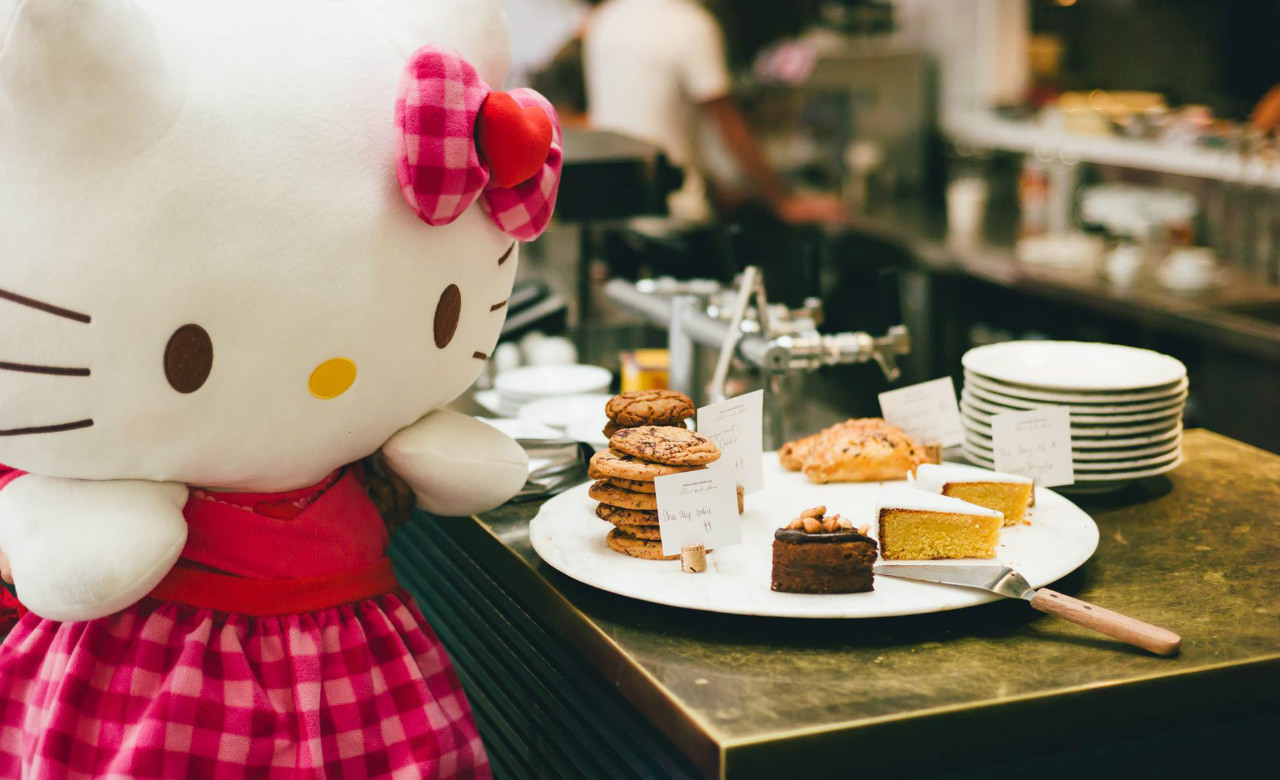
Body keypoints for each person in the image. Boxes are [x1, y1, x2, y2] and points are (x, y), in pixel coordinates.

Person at [582, 0, 845, 225]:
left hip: (609, 207)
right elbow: (730, 129)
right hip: (674, 209)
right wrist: (784, 202)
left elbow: (647, 116)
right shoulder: (692, 27)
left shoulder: (606, 19)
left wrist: (717, 182)